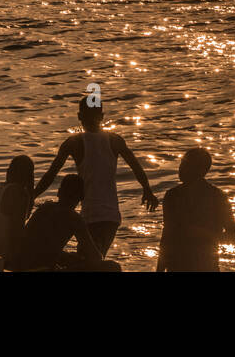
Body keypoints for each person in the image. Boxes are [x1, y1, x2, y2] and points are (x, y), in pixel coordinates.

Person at [33, 96, 159, 258]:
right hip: (109, 216)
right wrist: (147, 190)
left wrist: (33, 195)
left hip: (89, 216)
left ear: (79, 116)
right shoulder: (115, 140)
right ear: (102, 116)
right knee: (92, 261)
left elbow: (51, 174)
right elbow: (136, 167)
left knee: (89, 261)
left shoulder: (73, 143)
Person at [156, 147, 235, 272]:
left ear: (200, 170)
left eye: (185, 164)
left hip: (204, 264)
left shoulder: (217, 197)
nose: (180, 168)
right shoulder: (172, 195)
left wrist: (201, 234)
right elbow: (166, 237)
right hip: (178, 264)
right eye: (181, 163)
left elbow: (234, 236)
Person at [14, 175, 118, 271]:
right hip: (40, 269)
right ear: (82, 197)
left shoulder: (44, 209)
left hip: (20, 266)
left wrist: (67, 256)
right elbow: (95, 258)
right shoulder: (74, 218)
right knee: (112, 267)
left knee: (71, 258)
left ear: (59, 192)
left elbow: (39, 246)